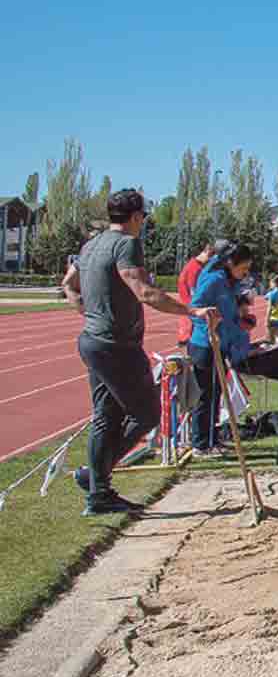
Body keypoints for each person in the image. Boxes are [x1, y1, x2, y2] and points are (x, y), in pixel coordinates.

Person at [62, 190, 217, 515]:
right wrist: (192, 311)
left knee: (106, 417)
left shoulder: (91, 245)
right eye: (143, 216)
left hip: (94, 341)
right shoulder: (126, 244)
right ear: (135, 217)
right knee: (146, 415)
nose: (143, 222)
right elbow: (145, 292)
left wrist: (88, 313)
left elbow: (69, 284)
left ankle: (99, 495)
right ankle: (96, 477)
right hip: (117, 346)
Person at [188, 242, 278, 455]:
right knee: (206, 396)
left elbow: (229, 312)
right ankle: (201, 445)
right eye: (243, 268)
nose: (245, 273)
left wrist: (239, 322)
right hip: (206, 344)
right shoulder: (214, 280)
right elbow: (194, 309)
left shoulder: (228, 280)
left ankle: (211, 439)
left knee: (215, 395)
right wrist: (209, 328)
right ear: (230, 263)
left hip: (224, 345)